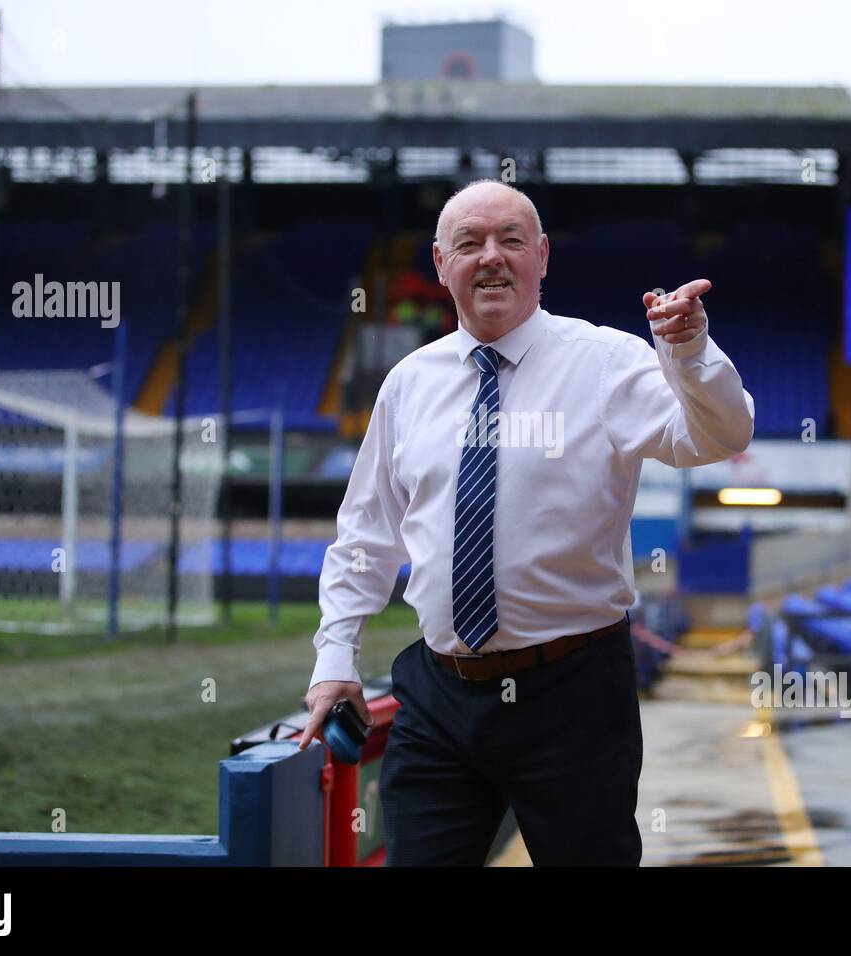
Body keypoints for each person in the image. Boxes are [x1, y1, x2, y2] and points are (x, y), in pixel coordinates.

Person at [300, 179, 755, 866]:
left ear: (541, 256)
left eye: (511, 240)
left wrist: (690, 355)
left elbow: (719, 437)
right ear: (440, 262)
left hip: (572, 693)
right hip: (438, 695)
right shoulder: (409, 384)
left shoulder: (606, 363)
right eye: (469, 243)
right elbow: (365, 535)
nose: (491, 257)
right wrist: (335, 659)